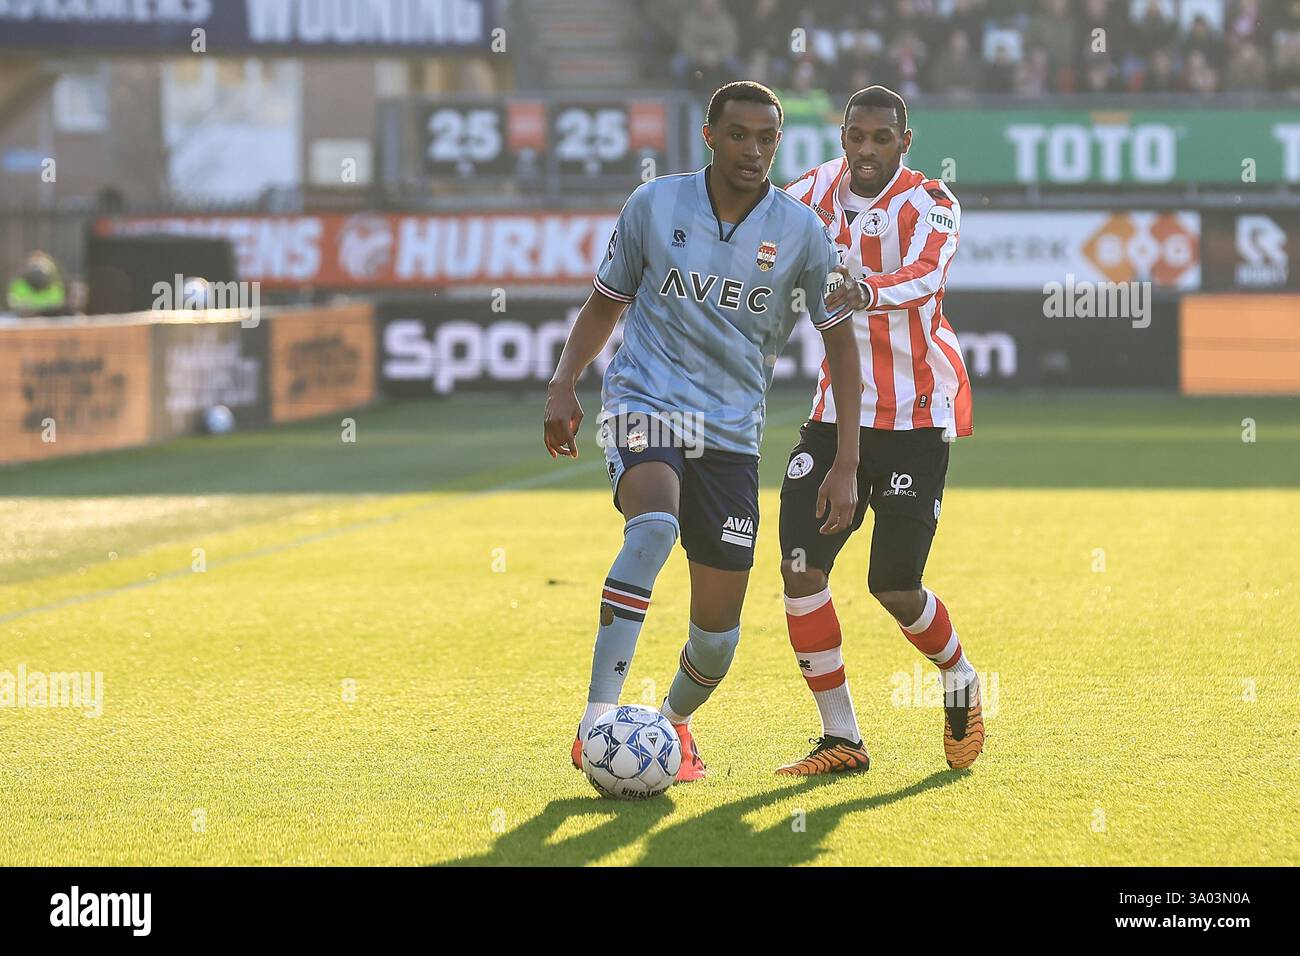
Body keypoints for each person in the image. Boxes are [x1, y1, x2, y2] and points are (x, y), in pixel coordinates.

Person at [545, 81, 862, 782]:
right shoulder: (654, 205)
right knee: (652, 525)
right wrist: (564, 381)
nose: (754, 150)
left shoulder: (803, 233)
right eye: (740, 134)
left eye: (767, 138)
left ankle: (674, 727)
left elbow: (841, 343)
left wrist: (847, 459)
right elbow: (606, 302)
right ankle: (597, 720)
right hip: (645, 403)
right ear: (710, 136)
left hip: (729, 434)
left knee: (717, 641)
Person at [774, 86, 983, 776]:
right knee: (800, 568)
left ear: (905, 141)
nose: (866, 151)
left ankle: (959, 678)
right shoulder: (817, 188)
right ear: (842, 137)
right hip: (835, 413)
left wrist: (864, 290)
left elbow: (926, 277)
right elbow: (764, 219)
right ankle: (842, 737)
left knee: (893, 586)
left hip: (914, 415)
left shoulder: (933, 204)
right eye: (855, 137)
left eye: (881, 139)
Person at [6, 251, 67, 317]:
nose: (38, 270)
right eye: (35, 266)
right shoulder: (19, 285)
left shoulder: (55, 285)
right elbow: (14, 303)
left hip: (50, 320)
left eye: (42, 267)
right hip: (24, 321)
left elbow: (58, 304)